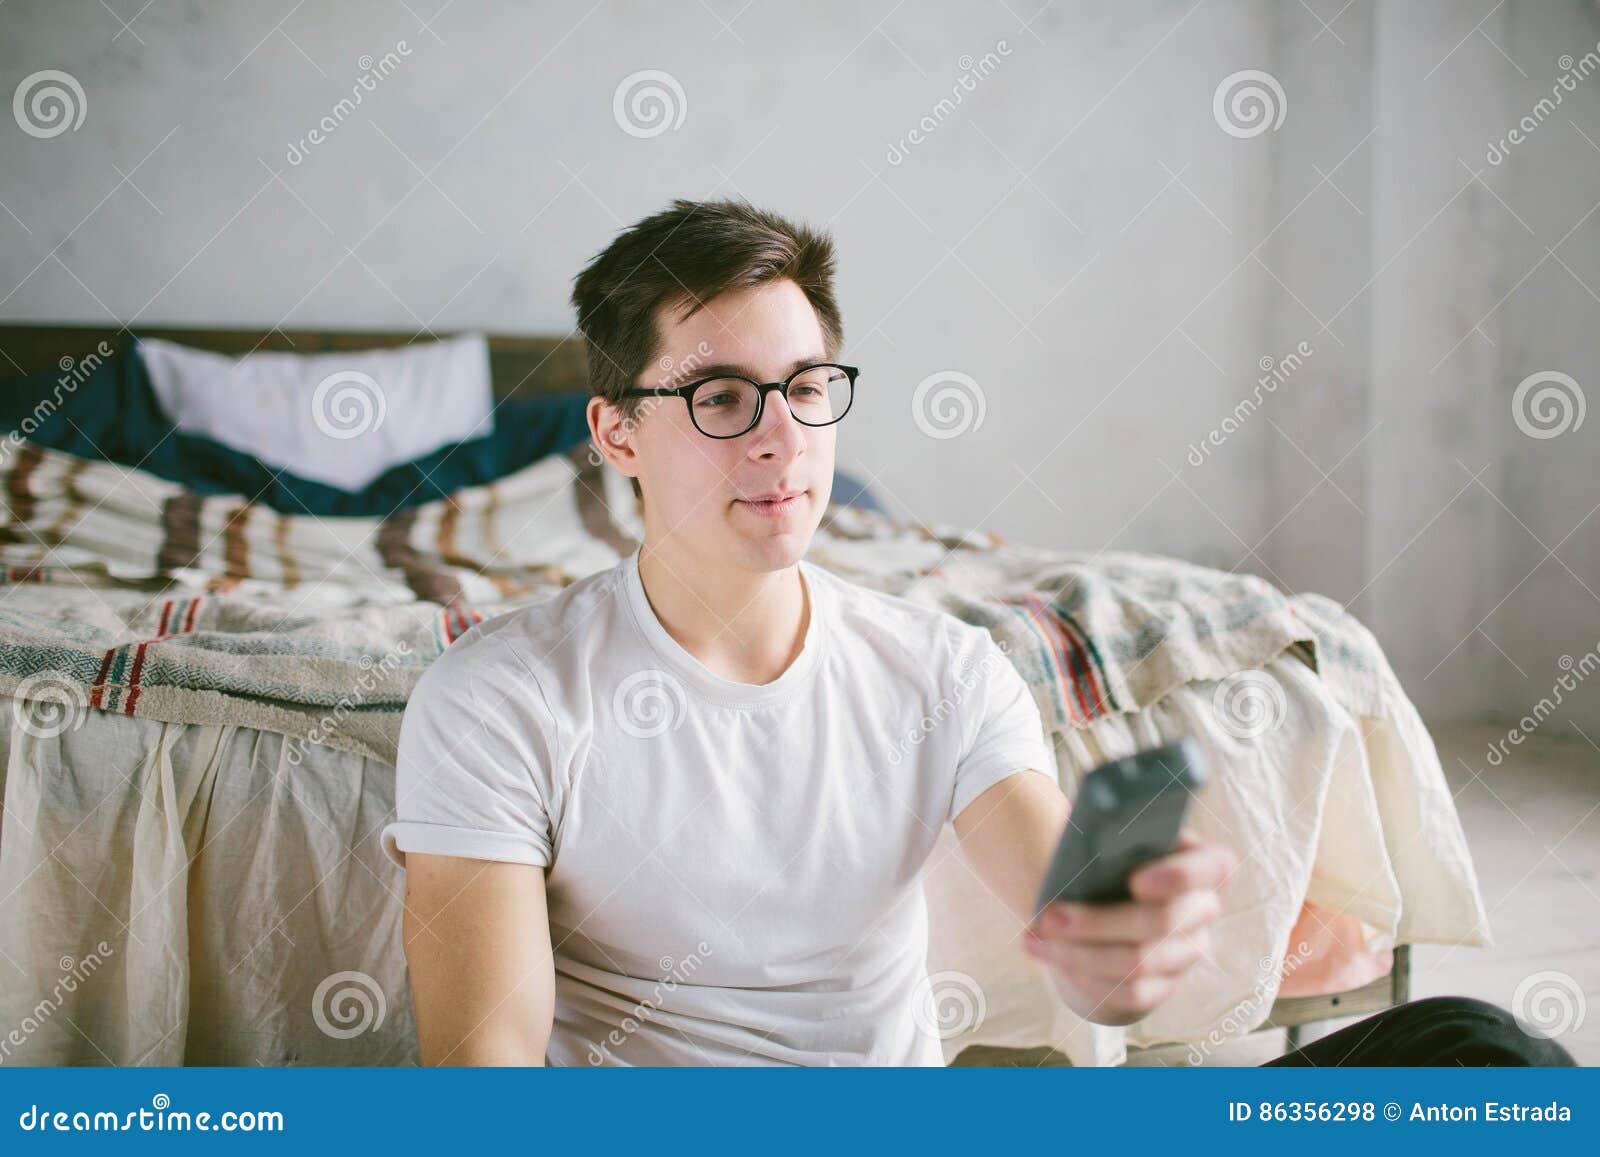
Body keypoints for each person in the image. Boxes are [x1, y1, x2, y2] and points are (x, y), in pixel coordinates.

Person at [380, 197, 1568, 1068]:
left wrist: (1118, 946)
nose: (782, 436)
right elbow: (485, 1075)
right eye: (720, 396)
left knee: (1482, 1058)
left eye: (806, 386)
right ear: (617, 434)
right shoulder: (501, 695)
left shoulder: (939, 666)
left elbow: (1073, 920)